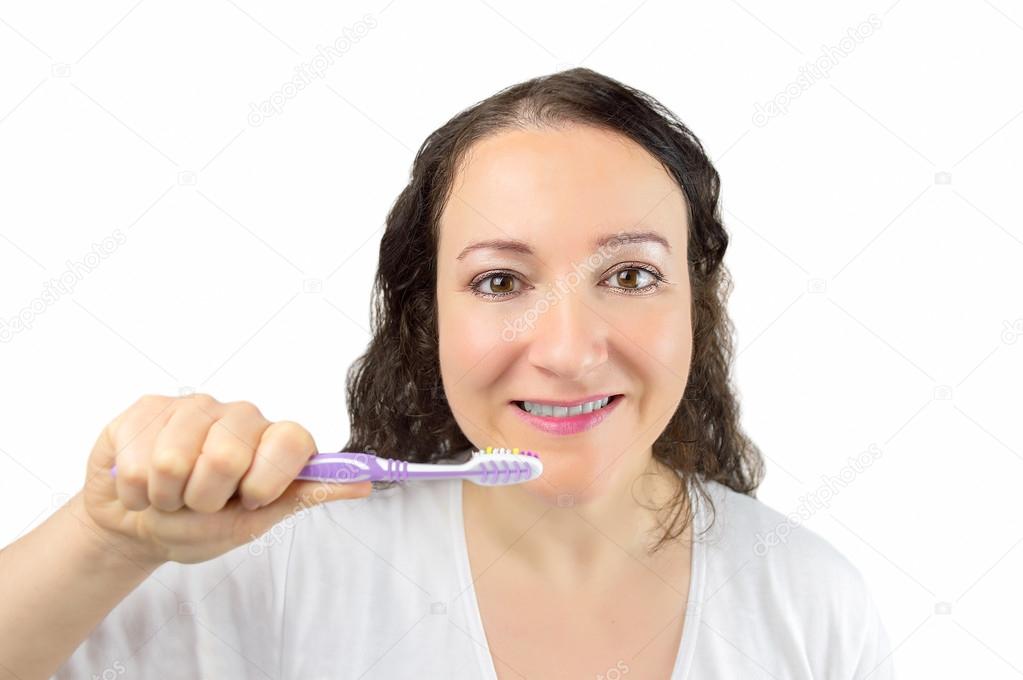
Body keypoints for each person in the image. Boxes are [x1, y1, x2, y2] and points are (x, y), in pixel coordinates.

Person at [0, 67, 893, 679]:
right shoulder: (282, 567)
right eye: (500, 281)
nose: (569, 349)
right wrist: (106, 539)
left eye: (630, 275)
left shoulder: (808, 602)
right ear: (428, 316)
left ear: (696, 300)